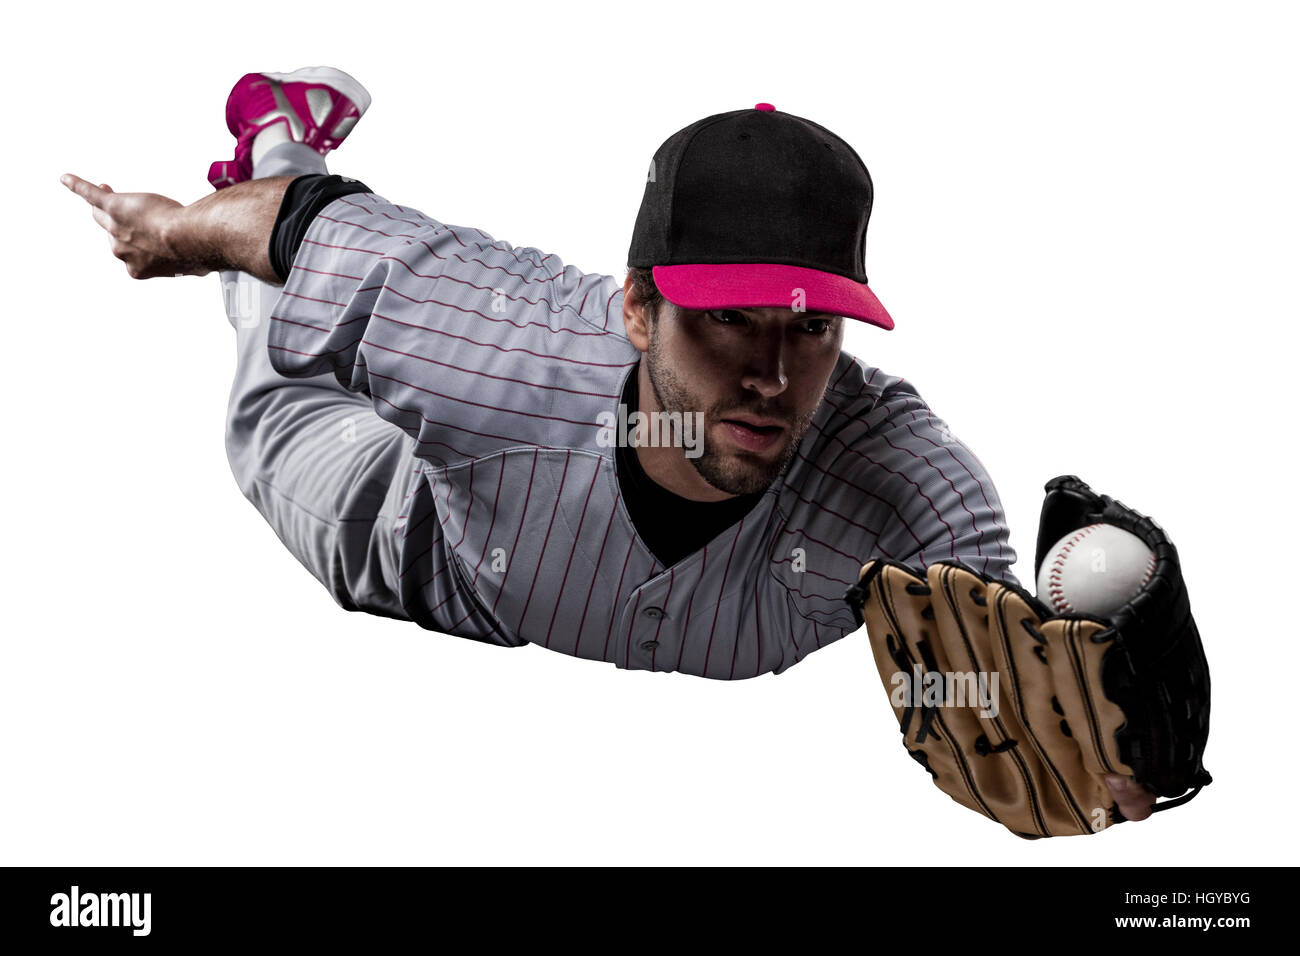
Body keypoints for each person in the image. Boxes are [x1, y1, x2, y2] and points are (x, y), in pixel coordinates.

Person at [61, 66, 1157, 823]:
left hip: (509, 519)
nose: (772, 373)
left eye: (809, 326)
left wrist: (1104, 741)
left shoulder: (905, 486)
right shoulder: (496, 341)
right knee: (273, 394)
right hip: (413, 535)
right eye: (726, 314)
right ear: (638, 309)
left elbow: (996, 684)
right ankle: (272, 123)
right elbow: (309, 228)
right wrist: (168, 233)